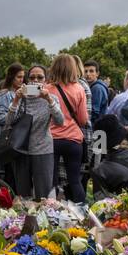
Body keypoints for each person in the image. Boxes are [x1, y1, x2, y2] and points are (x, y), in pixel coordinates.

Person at [0, 64, 63, 199]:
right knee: (23, 195)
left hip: (43, 150)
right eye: (32, 77)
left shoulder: (51, 98)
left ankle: (43, 219)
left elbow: (60, 121)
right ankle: (26, 220)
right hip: (21, 149)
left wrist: (49, 99)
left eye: (40, 78)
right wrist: (16, 100)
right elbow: (8, 121)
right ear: (27, 81)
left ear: (46, 80)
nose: (36, 81)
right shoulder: (21, 98)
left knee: (43, 195)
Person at [47, 53, 90, 202]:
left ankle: (50, 215)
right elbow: (84, 120)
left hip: (51, 140)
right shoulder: (79, 89)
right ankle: (83, 213)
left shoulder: (47, 89)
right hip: (73, 140)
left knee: (51, 182)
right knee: (75, 181)